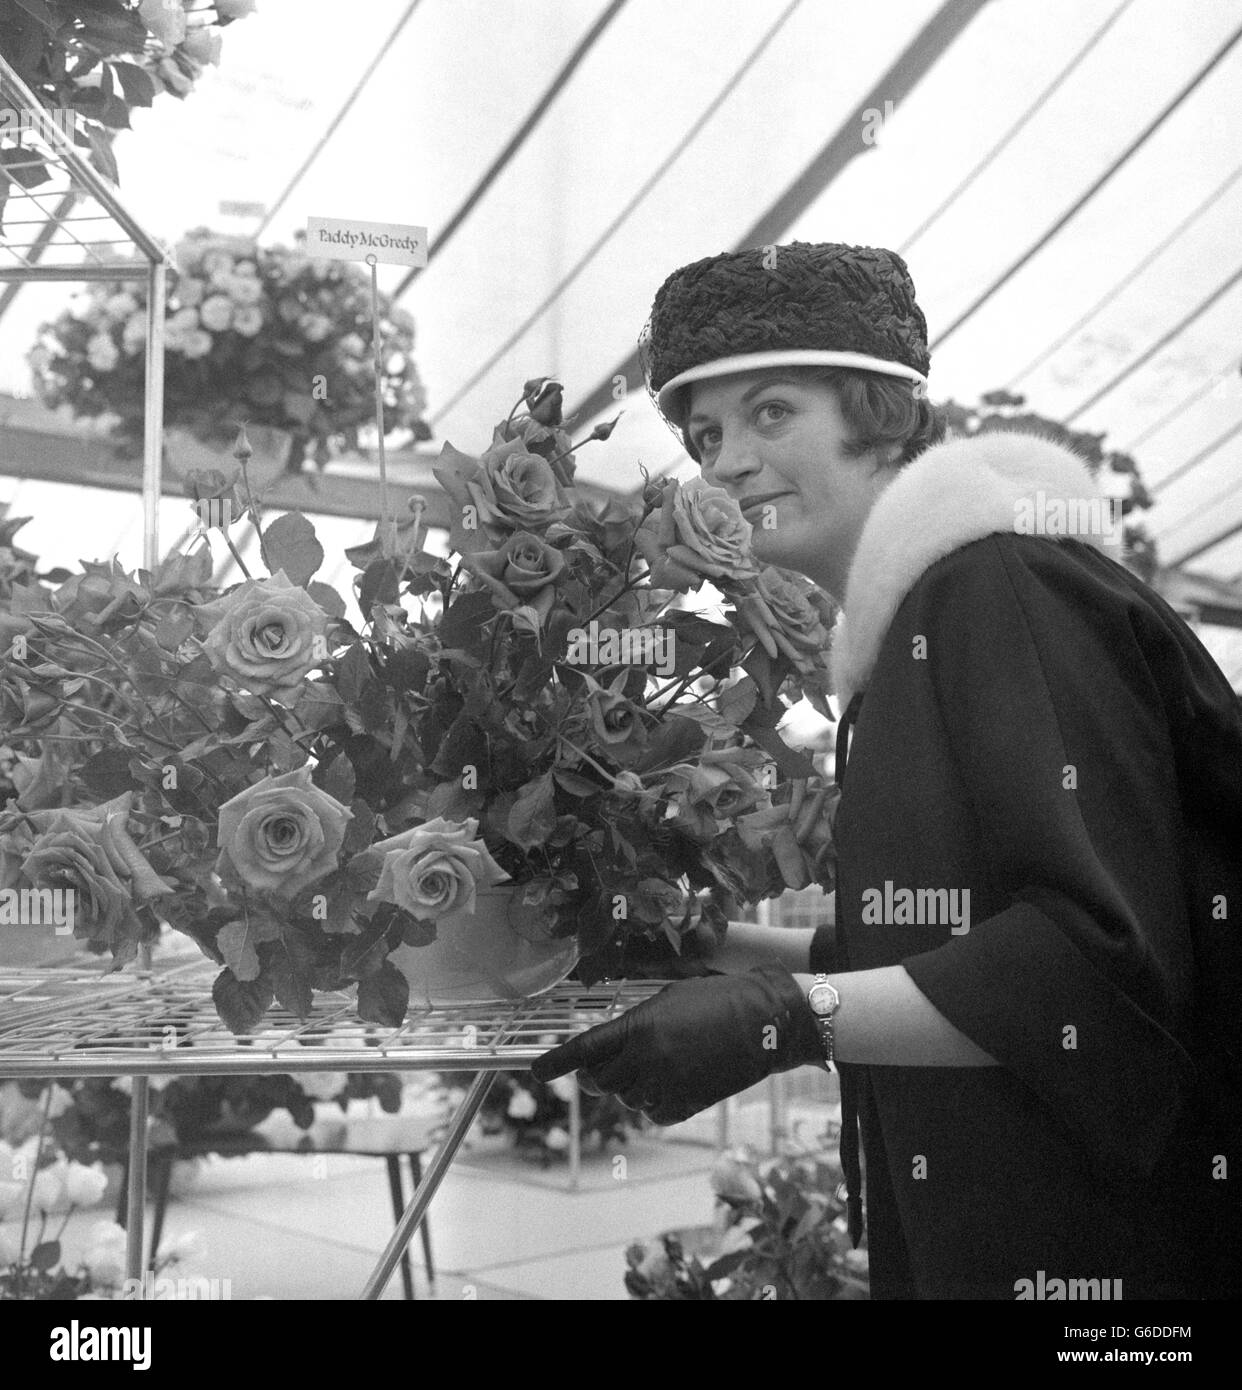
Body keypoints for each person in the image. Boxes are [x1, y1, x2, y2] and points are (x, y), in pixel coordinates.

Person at [532, 241, 1242, 1300]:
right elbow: (947, 937)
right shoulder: (918, 614)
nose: (725, 461)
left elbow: (1092, 967)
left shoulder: (997, 583)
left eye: (772, 413)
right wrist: (709, 950)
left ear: (881, 413)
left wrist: (783, 1017)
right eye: (706, 433)